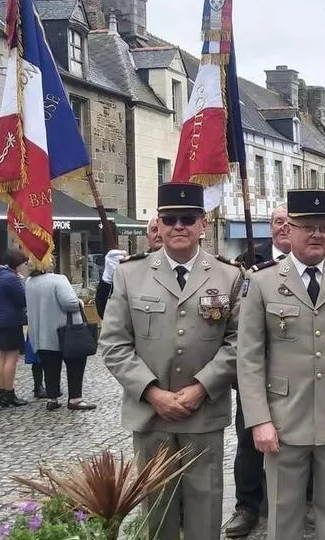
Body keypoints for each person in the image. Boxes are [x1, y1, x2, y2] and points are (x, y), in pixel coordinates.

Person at [100, 182, 243, 540]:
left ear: (202, 224)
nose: (179, 226)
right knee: (157, 509)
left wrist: (201, 388)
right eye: (170, 219)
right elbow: (115, 343)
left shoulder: (228, 275)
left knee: (206, 506)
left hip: (204, 413)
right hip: (152, 415)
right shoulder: (130, 274)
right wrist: (152, 393)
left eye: (188, 219)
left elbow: (239, 341)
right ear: (159, 225)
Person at [237, 189, 325, 540]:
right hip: (284, 419)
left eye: (323, 227)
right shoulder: (262, 280)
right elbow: (250, 358)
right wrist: (259, 421)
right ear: (290, 229)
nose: (317, 234)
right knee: (284, 520)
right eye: (307, 227)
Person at [226, 203, 292, 538]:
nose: (284, 227)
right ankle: (247, 505)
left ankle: (303, 499)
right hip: (256, 370)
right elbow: (237, 319)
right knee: (248, 441)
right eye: (278, 222)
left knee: (299, 440)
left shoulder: (318, 262)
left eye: (289, 222)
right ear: (271, 227)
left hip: (297, 373)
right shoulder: (247, 261)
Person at [25, 265, 96, 411]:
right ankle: (75, 399)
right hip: (66, 333)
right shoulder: (59, 279)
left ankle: (52, 398)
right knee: (75, 363)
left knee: (50, 366)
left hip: (41, 334)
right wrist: (80, 302)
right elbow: (69, 303)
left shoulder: (29, 282)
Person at [0, 249, 31, 407]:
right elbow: (22, 299)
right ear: (17, 264)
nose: (26, 266)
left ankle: (1, 393)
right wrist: (21, 281)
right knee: (11, 357)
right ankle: (9, 394)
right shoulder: (11, 279)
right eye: (25, 263)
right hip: (10, 322)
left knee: (1, 357)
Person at [97, 216, 162, 319]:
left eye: (162, 229)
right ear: (147, 236)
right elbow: (106, 312)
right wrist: (108, 278)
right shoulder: (133, 268)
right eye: (154, 230)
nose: (159, 234)